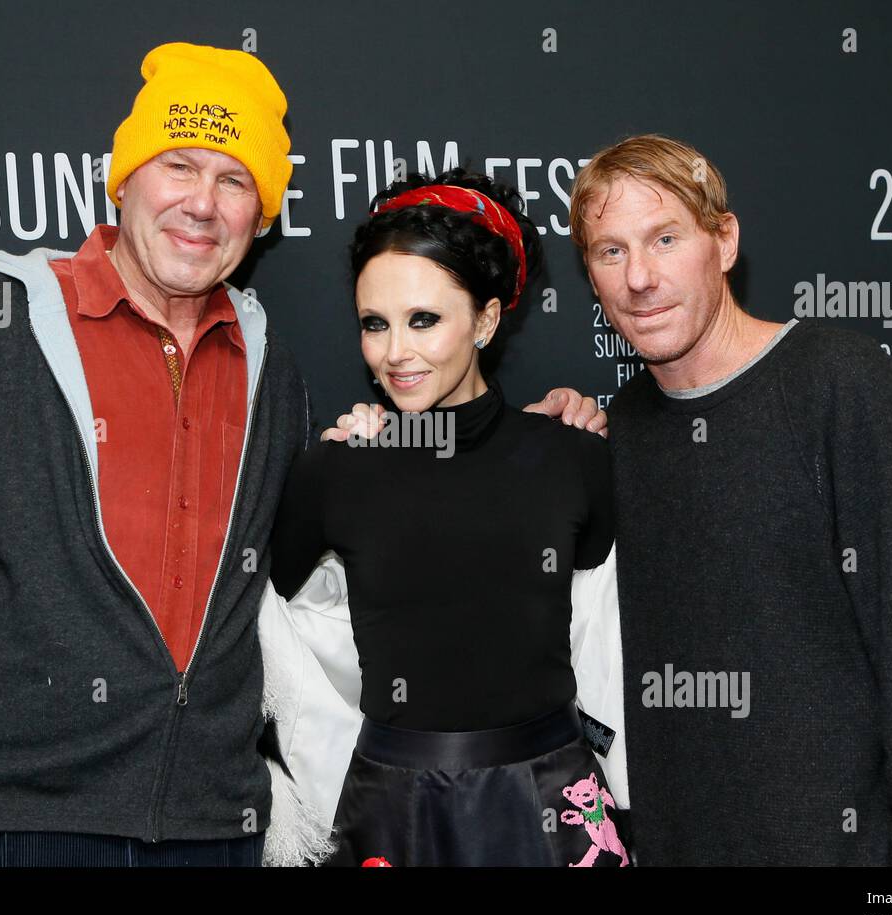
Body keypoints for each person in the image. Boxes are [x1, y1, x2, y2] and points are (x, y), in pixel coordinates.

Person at [0, 41, 605, 867]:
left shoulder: (269, 372)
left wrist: (533, 446)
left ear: (262, 217)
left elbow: (318, 608)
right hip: (5, 831)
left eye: (235, 180)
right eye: (179, 165)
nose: (202, 204)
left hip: (216, 833)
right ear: (124, 179)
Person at [569, 133, 892, 865]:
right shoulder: (626, 428)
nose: (639, 276)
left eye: (665, 238)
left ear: (725, 240)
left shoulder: (846, 390)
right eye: (610, 252)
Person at [261, 170, 632, 867]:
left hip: (552, 806)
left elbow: (606, 646)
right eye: (376, 324)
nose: (395, 352)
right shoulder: (336, 471)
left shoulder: (573, 458)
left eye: (423, 319)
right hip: (392, 811)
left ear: (487, 320)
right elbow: (269, 641)